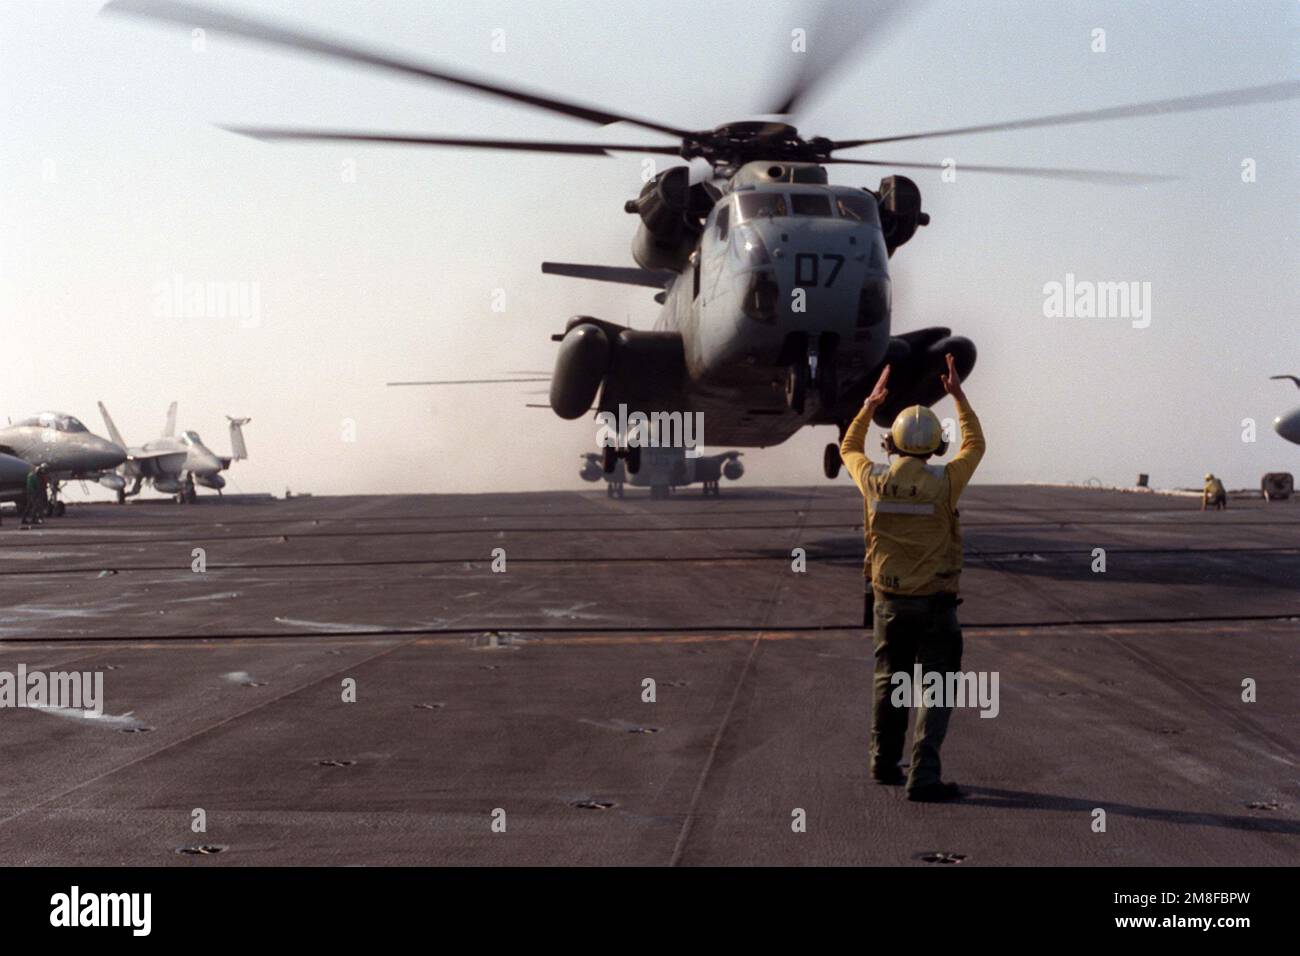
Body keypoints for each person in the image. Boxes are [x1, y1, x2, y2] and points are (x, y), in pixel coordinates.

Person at [839, 354, 986, 802]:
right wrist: (958, 397)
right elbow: (975, 445)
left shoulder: (873, 480)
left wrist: (869, 405)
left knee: (889, 681)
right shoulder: (946, 483)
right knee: (936, 689)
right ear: (936, 448)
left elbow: (848, 447)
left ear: (891, 444)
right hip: (936, 605)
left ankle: (883, 763)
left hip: (888, 601)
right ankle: (923, 776)